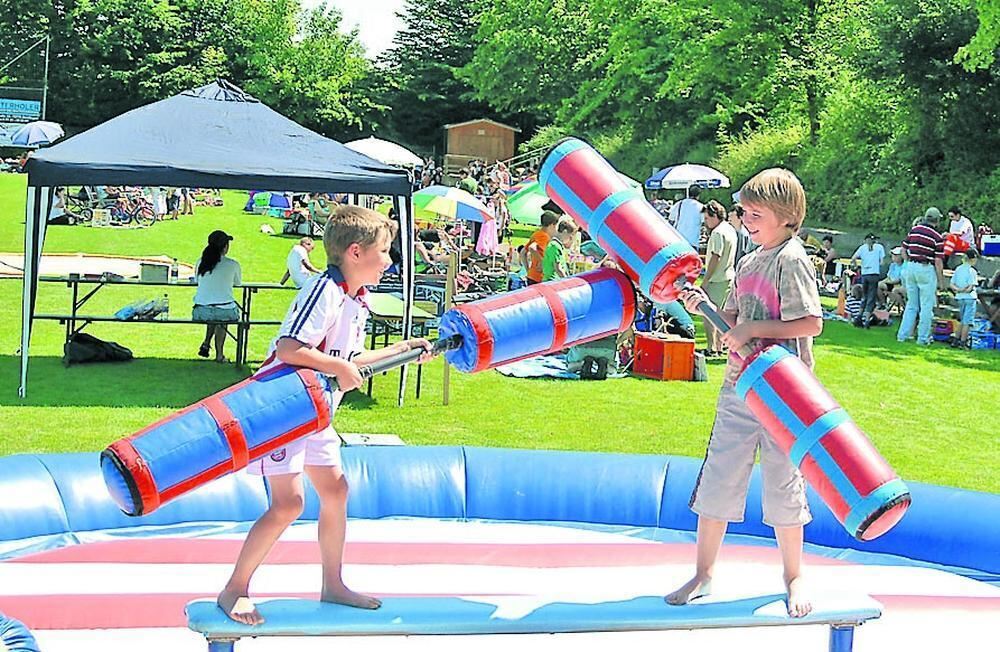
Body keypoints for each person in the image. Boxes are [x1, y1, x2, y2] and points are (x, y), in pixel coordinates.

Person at [217, 205, 432, 625]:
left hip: (316, 413)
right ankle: (234, 589)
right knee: (288, 504)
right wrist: (338, 369)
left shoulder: (356, 299)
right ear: (355, 253)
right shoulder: (325, 291)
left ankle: (332, 584)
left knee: (335, 491)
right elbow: (290, 349)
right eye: (384, 252)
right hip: (286, 410)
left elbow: (347, 358)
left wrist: (402, 350)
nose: (389, 261)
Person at [672, 168, 822, 618]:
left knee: (783, 482)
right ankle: (703, 572)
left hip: (784, 393)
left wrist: (753, 328)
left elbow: (812, 322)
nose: (746, 220)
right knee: (720, 475)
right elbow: (729, 326)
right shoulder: (749, 259)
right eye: (744, 212)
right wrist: (706, 310)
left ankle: (794, 576)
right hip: (740, 386)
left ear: (786, 217)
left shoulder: (791, 259)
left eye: (756, 214)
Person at [898, 208, 946, 345]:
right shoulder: (937, 237)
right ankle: (922, 338)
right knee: (926, 306)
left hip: (911, 267)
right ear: (937, 220)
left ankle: (903, 334)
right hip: (926, 268)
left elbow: (903, 249)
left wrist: (908, 261)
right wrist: (941, 282)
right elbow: (938, 261)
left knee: (911, 304)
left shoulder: (914, 230)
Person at [193, 230, 242, 362]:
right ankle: (219, 354)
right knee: (221, 316)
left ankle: (207, 342)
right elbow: (238, 283)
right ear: (225, 247)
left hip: (201, 310)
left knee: (214, 313)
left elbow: (196, 280)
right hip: (224, 310)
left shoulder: (201, 262)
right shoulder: (233, 264)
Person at [701, 201, 737, 356]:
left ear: (715, 216)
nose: (706, 222)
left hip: (717, 278)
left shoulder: (717, 233)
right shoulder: (730, 229)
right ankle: (719, 346)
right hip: (729, 276)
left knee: (709, 314)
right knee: (723, 315)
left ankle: (711, 348)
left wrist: (706, 280)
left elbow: (716, 256)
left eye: (707, 218)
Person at [849, 233, 886, 327]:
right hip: (874, 274)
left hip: (864, 274)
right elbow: (882, 262)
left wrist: (856, 266)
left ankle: (859, 316)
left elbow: (853, 258)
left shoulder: (862, 248)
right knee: (871, 297)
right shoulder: (879, 247)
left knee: (864, 296)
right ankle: (866, 320)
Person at [949, 249, 979, 348]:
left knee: (962, 320)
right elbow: (971, 287)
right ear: (973, 259)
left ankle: (955, 340)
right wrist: (964, 290)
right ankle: (963, 342)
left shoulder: (958, 269)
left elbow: (952, 284)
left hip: (960, 298)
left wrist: (958, 290)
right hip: (970, 298)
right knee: (967, 322)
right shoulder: (972, 271)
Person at [523, 211, 559, 285]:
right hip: (539, 277)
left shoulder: (537, 233)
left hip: (532, 275)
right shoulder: (544, 236)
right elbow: (532, 248)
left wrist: (528, 270)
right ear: (552, 225)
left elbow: (523, 252)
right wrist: (543, 262)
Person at [669, 185, 705, 249]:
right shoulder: (701, 207)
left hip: (678, 240)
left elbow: (671, 219)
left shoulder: (679, 204)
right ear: (698, 195)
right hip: (692, 242)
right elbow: (704, 222)